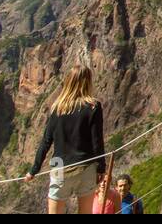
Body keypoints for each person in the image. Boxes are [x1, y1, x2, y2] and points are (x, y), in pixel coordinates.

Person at [25, 66, 106, 214]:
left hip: (59, 166)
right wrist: (101, 168)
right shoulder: (93, 107)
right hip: (86, 165)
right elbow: (97, 142)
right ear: (88, 82)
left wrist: (33, 170)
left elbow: (46, 142)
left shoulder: (57, 108)